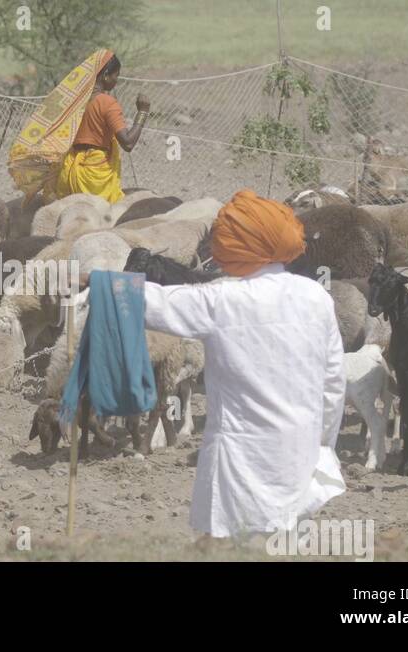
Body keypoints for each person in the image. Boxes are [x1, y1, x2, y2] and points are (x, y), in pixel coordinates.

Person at [141, 189, 347, 538]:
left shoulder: (223, 298)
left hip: (241, 457)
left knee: (239, 542)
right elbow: (333, 383)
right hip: (299, 449)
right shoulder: (315, 296)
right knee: (289, 540)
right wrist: (321, 441)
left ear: (233, 247)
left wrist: (97, 284)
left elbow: (156, 303)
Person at [8, 49, 149, 206]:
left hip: (68, 172)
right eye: (116, 75)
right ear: (105, 75)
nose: (116, 81)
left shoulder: (74, 103)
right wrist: (142, 112)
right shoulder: (107, 103)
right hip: (95, 176)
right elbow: (128, 143)